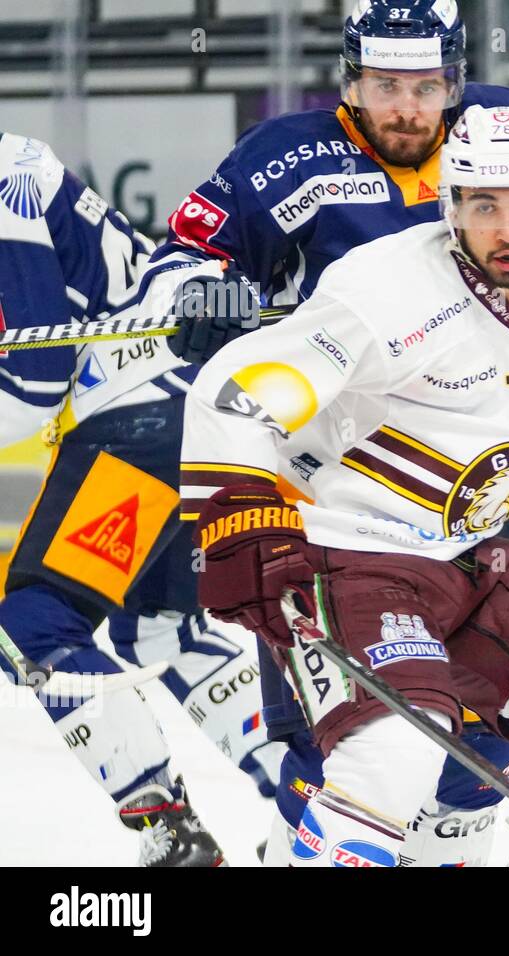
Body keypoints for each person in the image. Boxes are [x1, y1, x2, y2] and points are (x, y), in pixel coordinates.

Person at [26, 0, 509, 867]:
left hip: (469, 474)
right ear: (350, 77)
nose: (407, 107)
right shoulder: (282, 158)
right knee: (360, 732)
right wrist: (198, 296)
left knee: (489, 740)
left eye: (427, 87)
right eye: (384, 86)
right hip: (333, 484)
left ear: (457, 78)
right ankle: (310, 837)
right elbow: (187, 257)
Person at [181, 104, 509, 868]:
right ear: (450, 206)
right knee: (393, 755)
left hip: (474, 553)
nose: (507, 229)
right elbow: (232, 394)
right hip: (352, 555)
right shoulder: (384, 292)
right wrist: (244, 530)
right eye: (483, 206)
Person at [0, 131, 284, 867]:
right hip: (192, 407)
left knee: (33, 624)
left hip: (140, 420)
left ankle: (168, 828)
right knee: (162, 629)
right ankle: (320, 804)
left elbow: (33, 376)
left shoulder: (4, 175)